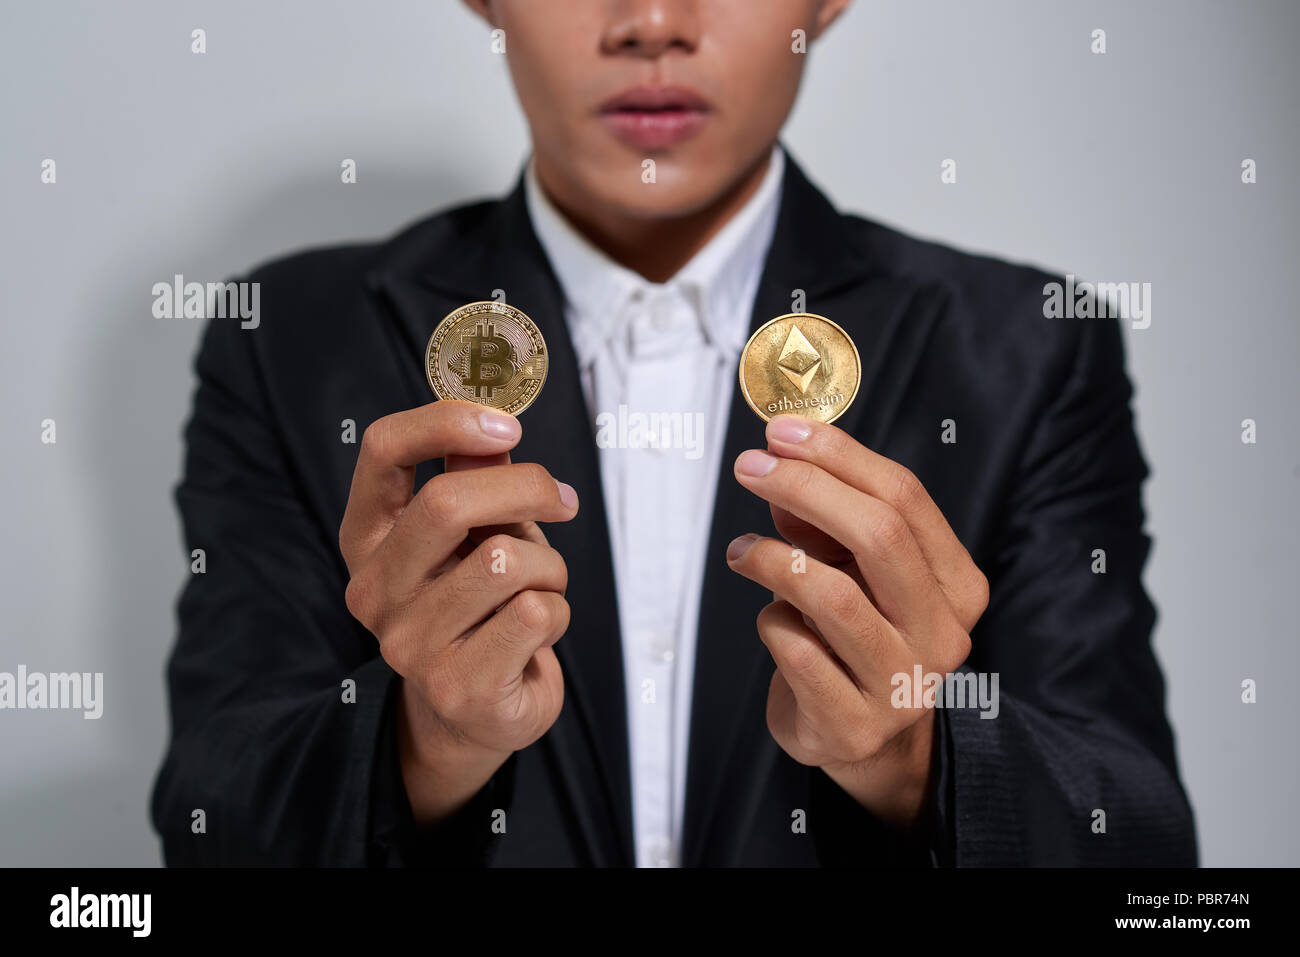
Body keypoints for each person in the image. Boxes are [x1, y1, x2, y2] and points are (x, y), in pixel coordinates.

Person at [150, 0, 1197, 867]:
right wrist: (425, 745)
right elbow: (210, 822)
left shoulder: (1025, 348)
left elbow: (1144, 851)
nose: (652, 22)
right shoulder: (289, 340)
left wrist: (914, 755)